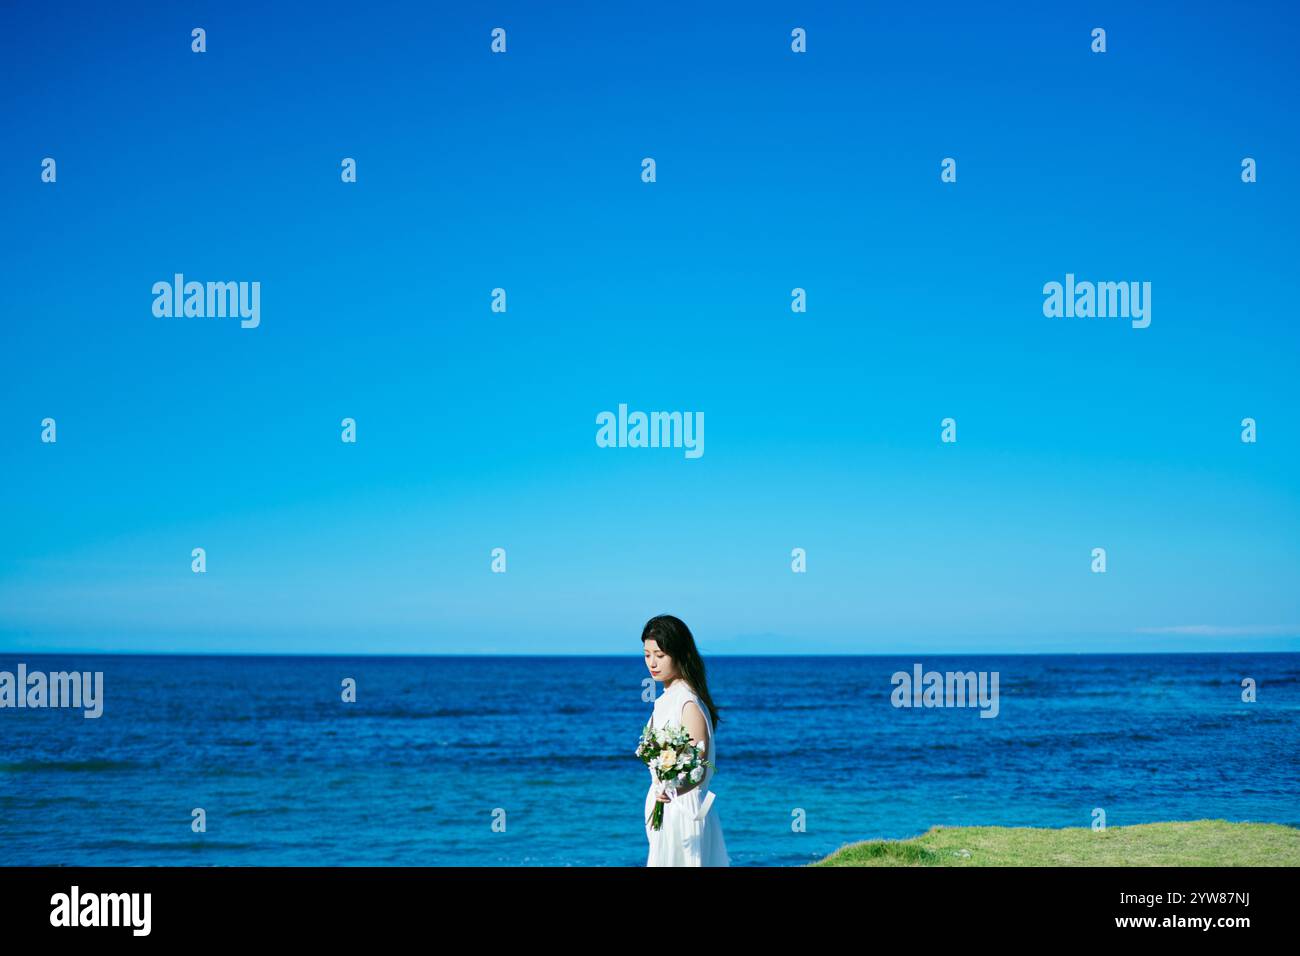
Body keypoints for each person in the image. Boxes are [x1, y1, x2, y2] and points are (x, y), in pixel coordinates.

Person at [642, 614, 730, 866]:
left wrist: (672, 790)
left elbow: (698, 770)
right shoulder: (665, 698)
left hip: (683, 809)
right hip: (666, 805)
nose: (652, 663)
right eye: (647, 655)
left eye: (660, 655)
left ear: (679, 654)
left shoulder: (687, 701)